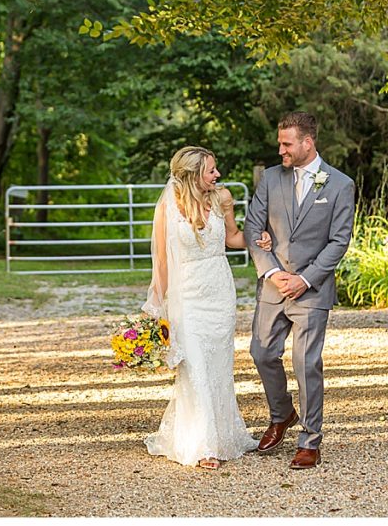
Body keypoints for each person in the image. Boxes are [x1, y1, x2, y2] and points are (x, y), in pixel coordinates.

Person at [141, 146, 271, 470]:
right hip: (187, 295)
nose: (218, 175)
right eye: (211, 170)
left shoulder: (222, 198)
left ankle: (222, 435)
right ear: (192, 174)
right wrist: (154, 305)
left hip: (219, 292)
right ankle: (203, 444)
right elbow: (161, 262)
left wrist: (260, 238)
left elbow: (233, 238)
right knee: (195, 366)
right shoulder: (167, 207)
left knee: (218, 367)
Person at [243, 111, 356, 470]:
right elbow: (252, 227)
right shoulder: (270, 178)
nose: (281, 150)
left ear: (308, 142)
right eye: (280, 143)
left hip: (311, 290)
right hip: (273, 285)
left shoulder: (340, 185)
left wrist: (305, 279)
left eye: (287, 144)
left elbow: (339, 241)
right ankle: (282, 414)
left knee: (306, 363)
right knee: (262, 353)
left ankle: (309, 440)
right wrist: (273, 271)